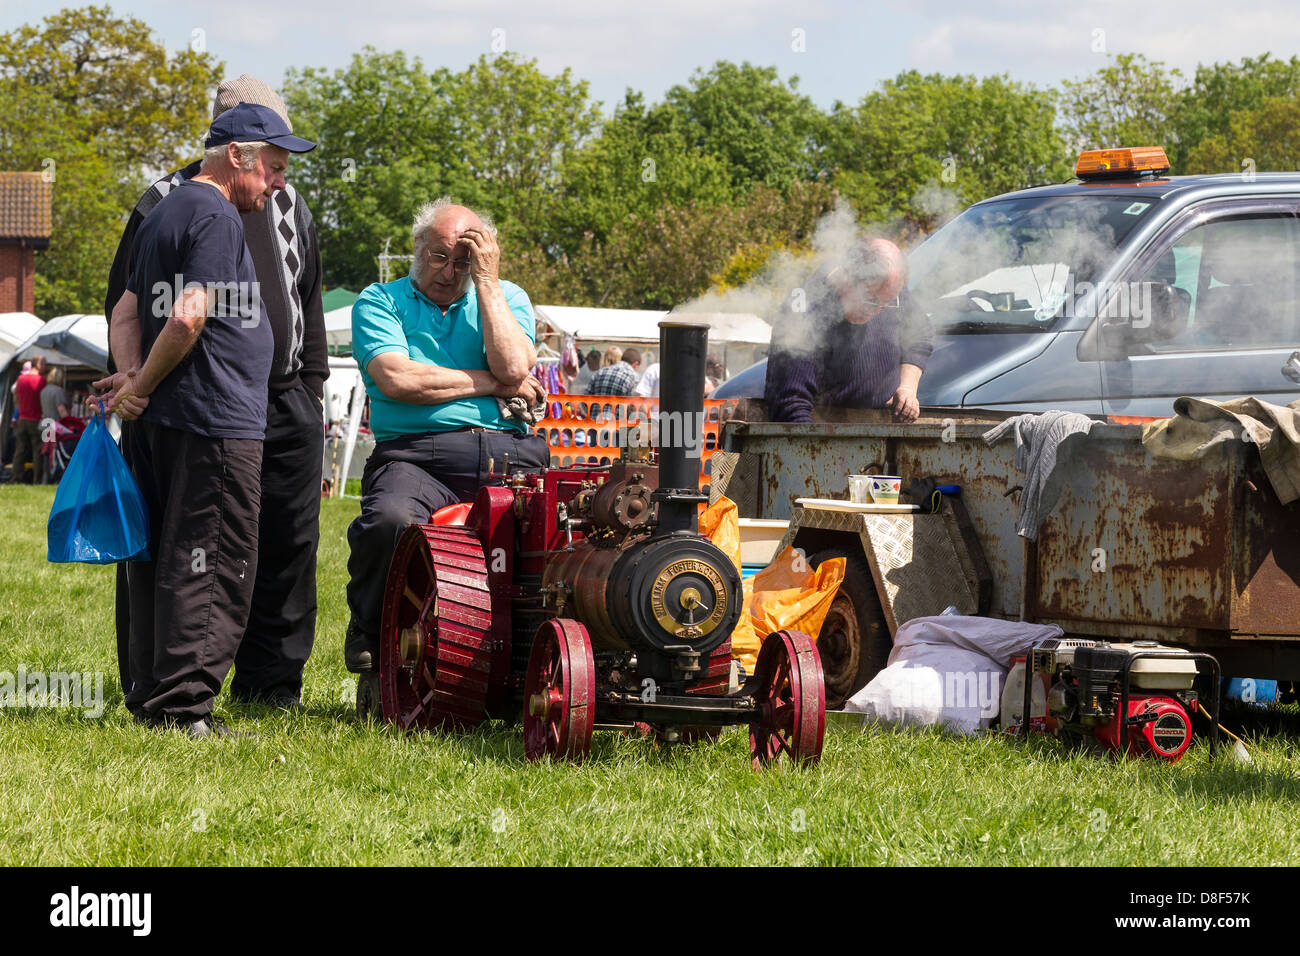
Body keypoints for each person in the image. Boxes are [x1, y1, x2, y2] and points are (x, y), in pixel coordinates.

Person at [104, 76, 329, 708]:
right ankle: (184, 703)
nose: (280, 181)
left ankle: (169, 691)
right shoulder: (207, 209)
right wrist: (140, 384)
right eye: (274, 166)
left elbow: (126, 309)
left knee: (172, 552)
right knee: (211, 557)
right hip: (213, 411)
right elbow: (187, 315)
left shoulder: (174, 209)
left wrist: (133, 387)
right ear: (238, 151)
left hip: (236, 406)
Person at [344, 199, 549, 704]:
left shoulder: (507, 297)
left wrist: (489, 282)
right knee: (388, 520)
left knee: (559, 543)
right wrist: (494, 385)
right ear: (417, 248)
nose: (448, 272)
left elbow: (517, 364)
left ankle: (538, 664)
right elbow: (398, 379)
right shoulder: (379, 300)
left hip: (510, 455)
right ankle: (371, 648)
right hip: (416, 457)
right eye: (439, 257)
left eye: (464, 262)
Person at [764, 237, 933, 424]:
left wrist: (907, 387)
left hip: (881, 429)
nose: (878, 310)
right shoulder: (804, 310)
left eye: (888, 302)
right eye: (871, 300)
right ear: (846, 276)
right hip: (826, 435)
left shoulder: (888, 289)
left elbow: (919, 334)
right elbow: (791, 407)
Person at [12, 356, 47, 484]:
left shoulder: (20, 379)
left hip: (22, 418)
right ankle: (37, 480)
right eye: (43, 364)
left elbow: (16, 396)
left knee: (20, 450)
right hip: (36, 419)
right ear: (37, 365)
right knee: (37, 451)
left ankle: (16, 478)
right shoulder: (41, 381)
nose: (45, 366)